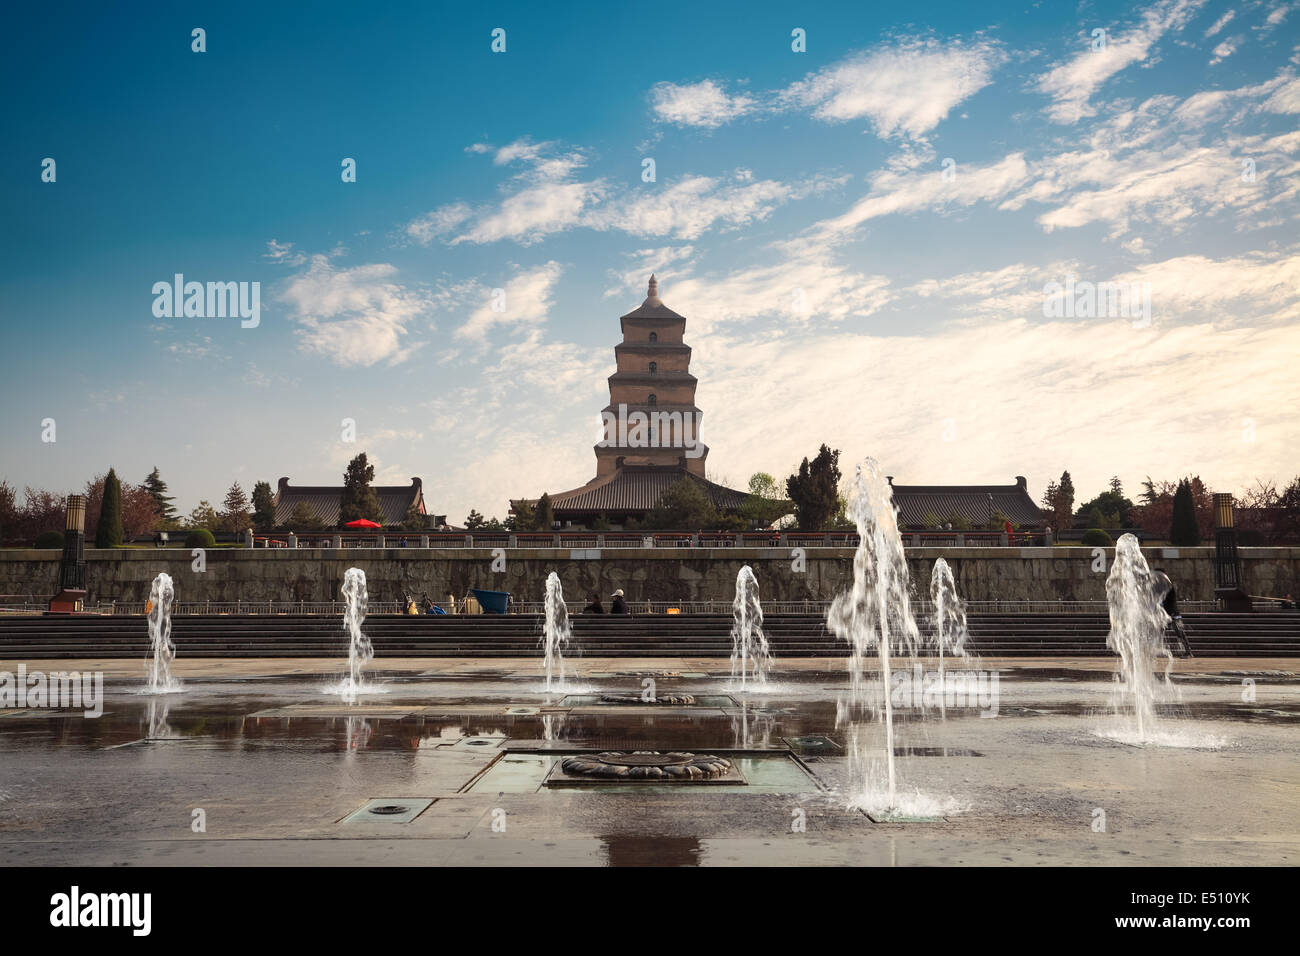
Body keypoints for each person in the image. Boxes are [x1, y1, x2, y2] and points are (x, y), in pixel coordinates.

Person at [1152, 568, 1193, 658]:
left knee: (1179, 632)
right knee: (1159, 631)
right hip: (1165, 613)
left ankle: (1188, 652)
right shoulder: (1161, 586)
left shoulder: (1168, 585)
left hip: (1172, 613)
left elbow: (1166, 600)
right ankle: (1156, 650)